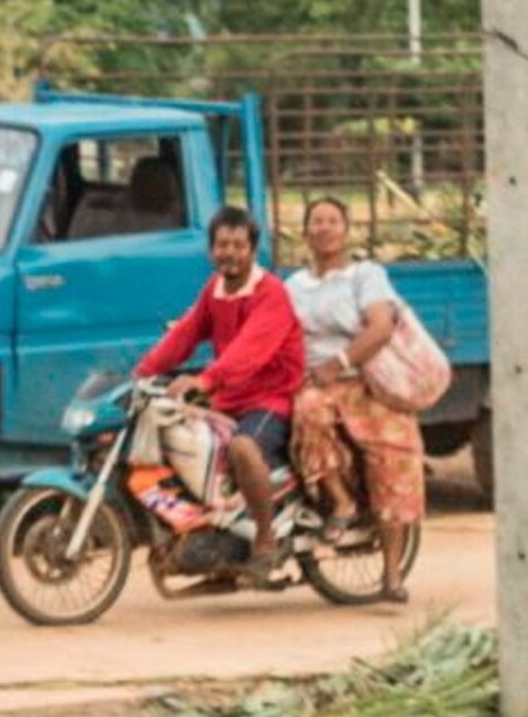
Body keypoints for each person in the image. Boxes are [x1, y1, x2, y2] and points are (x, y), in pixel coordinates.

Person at [135, 204, 304, 584]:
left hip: (269, 400)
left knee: (244, 448)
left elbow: (250, 350)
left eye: (238, 245)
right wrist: (142, 373)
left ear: (253, 250)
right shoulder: (215, 290)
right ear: (211, 250)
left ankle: (265, 539)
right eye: (222, 245)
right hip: (228, 399)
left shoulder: (270, 294)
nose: (230, 253)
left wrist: (205, 381)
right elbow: (185, 334)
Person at [283, 195, 423, 604]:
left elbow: (380, 327)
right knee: (307, 412)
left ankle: (392, 574)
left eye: (332, 220)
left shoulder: (366, 275)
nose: (324, 228)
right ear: (306, 232)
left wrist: (340, 360)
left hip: (367, 384)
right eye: (316, 221)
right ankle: (341, 501)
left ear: (346, 230)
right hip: (318, 388)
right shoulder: (294, 286)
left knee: (393, 461)